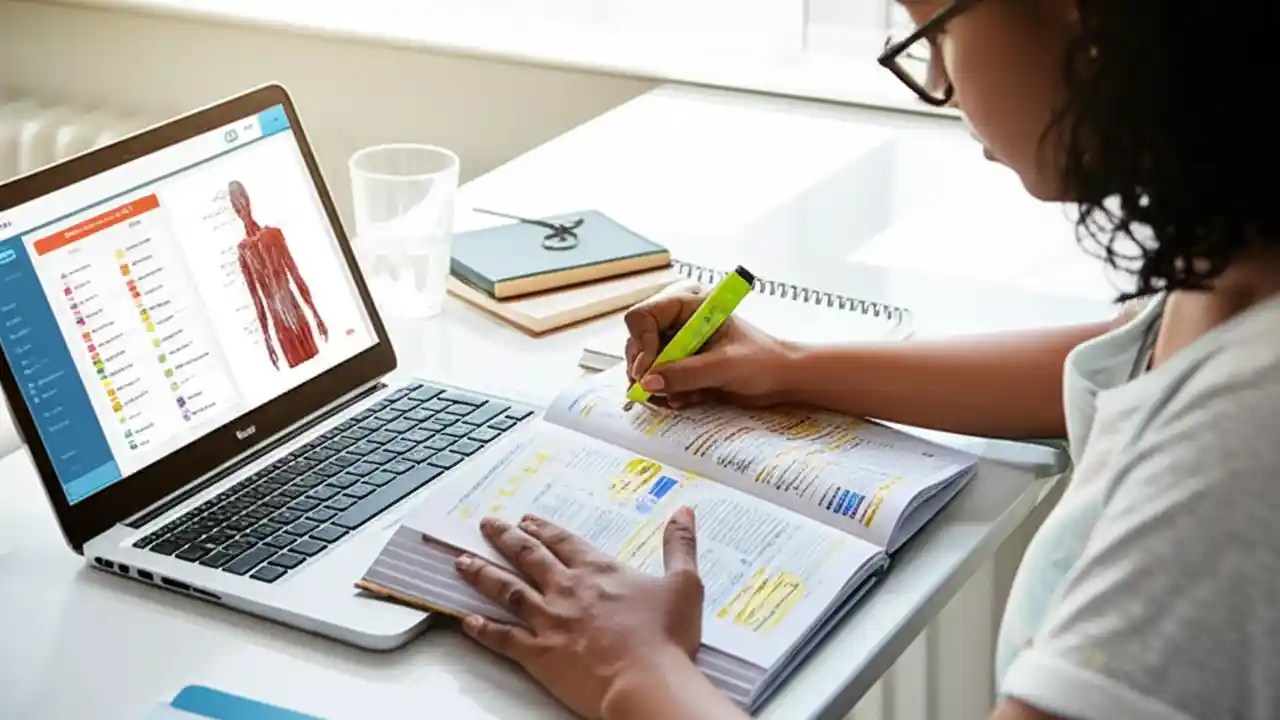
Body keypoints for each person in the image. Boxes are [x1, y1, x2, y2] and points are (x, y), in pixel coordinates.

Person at [448, 1, 1280, 718]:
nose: (937, 80)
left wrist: (635, 672)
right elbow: (1121, 361)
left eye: (934, 31)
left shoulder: (1243, 442)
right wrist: (785, 365)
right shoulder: (1235, 265)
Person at [230, 180, 328, 370]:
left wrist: (316, 315)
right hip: (279, 324)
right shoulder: (243, 250)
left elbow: (295, 275)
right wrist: (268, 340)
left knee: (317, 363)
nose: (240, 208)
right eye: (235, 204)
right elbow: (256, 298)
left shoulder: (273, 234)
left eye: (242, 201)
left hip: (295, 311)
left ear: (249, 201)